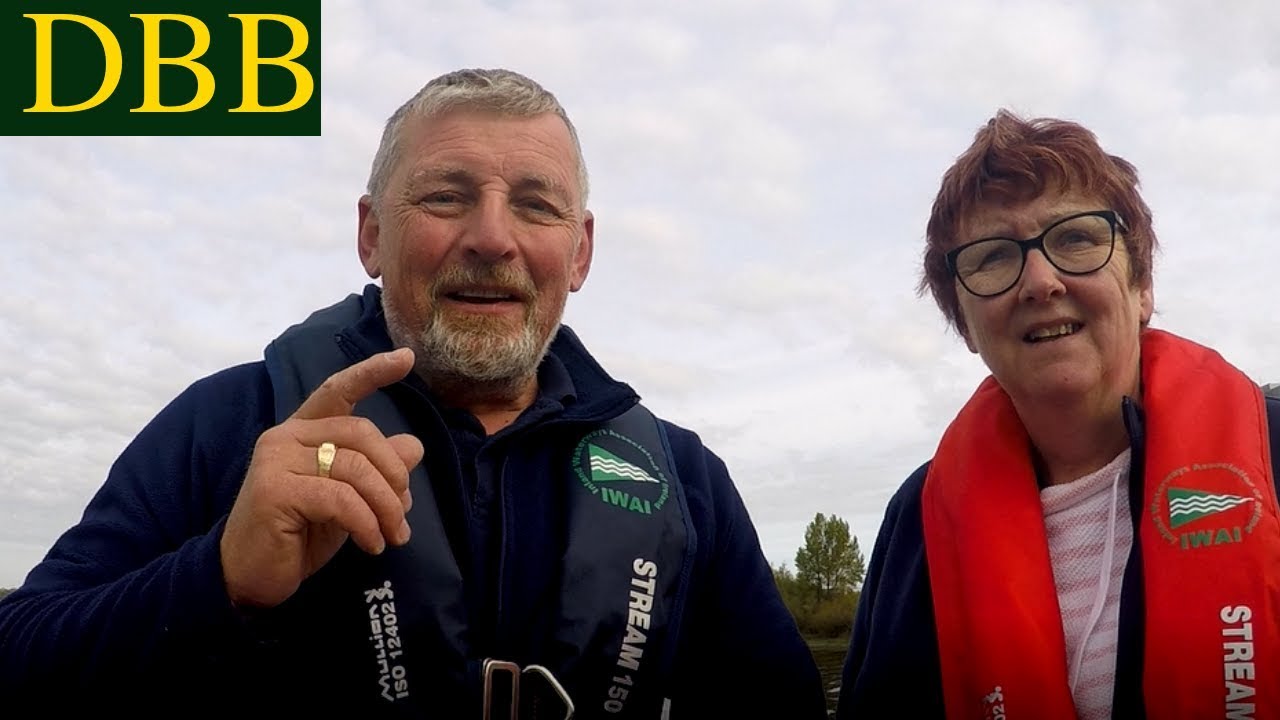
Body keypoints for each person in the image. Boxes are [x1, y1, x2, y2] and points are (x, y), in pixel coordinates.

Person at [0, 68, 826, 717]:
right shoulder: (228, 425)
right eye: (445, 197)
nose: (492, 238)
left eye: (535, 206)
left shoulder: (687, 481)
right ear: (371, 235)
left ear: (579, 253)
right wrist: (219, 580)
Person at [837, 111, 1280, 718]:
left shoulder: (1276, 449)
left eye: (1074, 238)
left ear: (1142, 286)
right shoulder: (917, 518)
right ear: (964, 322)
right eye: (992, 257)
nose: (1040, 282)